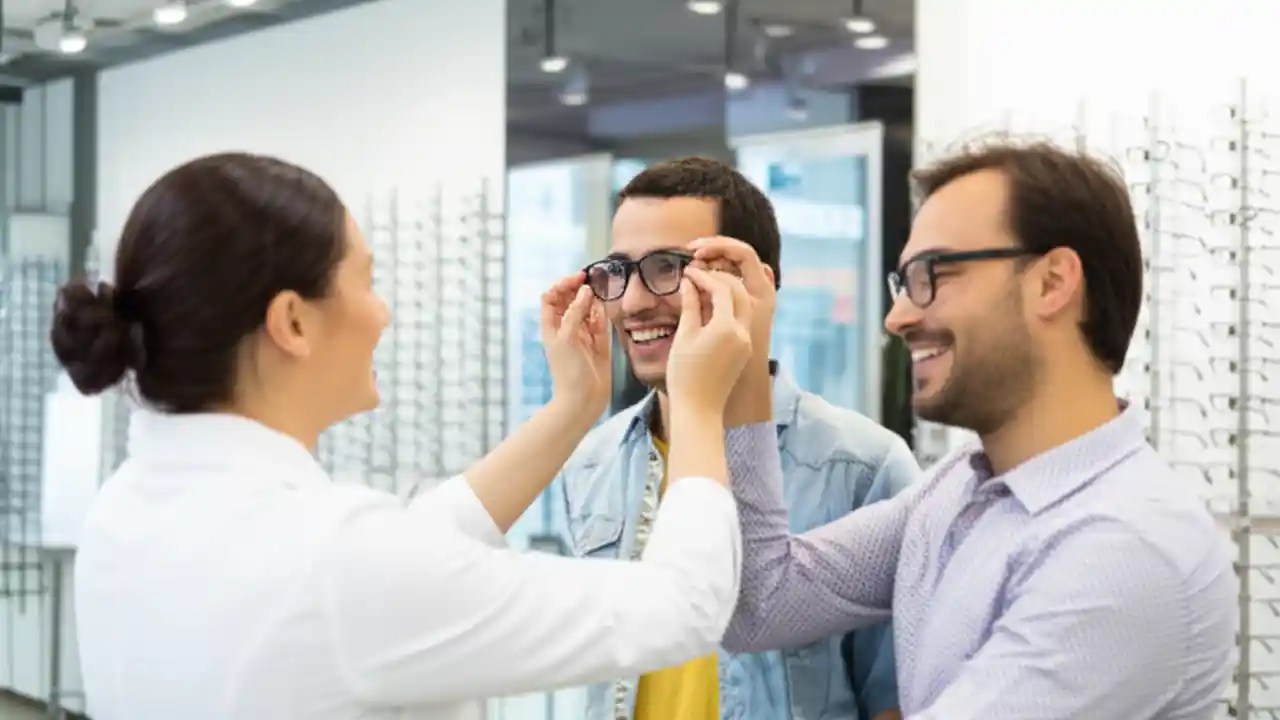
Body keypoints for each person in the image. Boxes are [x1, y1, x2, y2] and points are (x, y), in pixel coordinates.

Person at [50, 152, 767, 720]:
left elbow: (416, 548)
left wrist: (571, 410)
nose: (384, 313)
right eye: (367, 281)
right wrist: (701, 406)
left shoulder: (129, 510)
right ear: (293, 322)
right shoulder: (338, 559)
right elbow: (685, 607)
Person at [696, 140, 1238, 719]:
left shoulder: (1124, 546)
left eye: (933, 274)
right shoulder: (958, 489)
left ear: (1053, 282)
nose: (898, 316)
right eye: (902, 282)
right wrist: (745, 367)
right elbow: (760, 604)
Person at [557, 156, 918, 720]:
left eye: (668, 267)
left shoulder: (861, 468)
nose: (632, 302)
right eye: (620, 270)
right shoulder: (592, 463)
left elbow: (895, 699)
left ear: (753, 283)